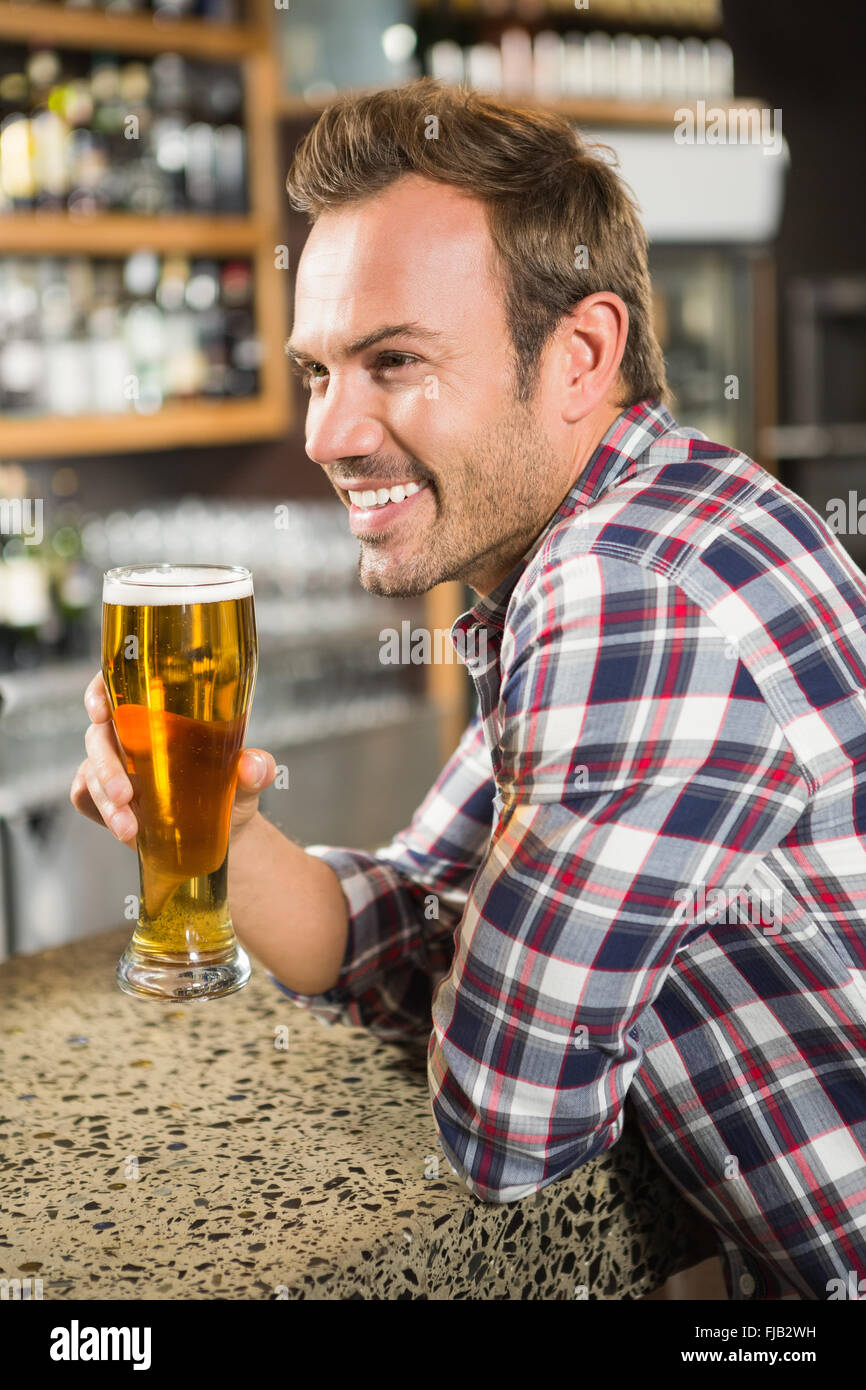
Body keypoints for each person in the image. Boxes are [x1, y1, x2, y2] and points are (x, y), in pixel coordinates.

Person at [71, 78, 866, 1303]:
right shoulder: (618, 531)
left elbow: (505, 1127)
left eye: (394, 361)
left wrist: (480, 964)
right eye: (318, 370)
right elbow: (416, 908)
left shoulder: (625, 587)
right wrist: (221, 824)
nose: (329, 432)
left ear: (578, 353)